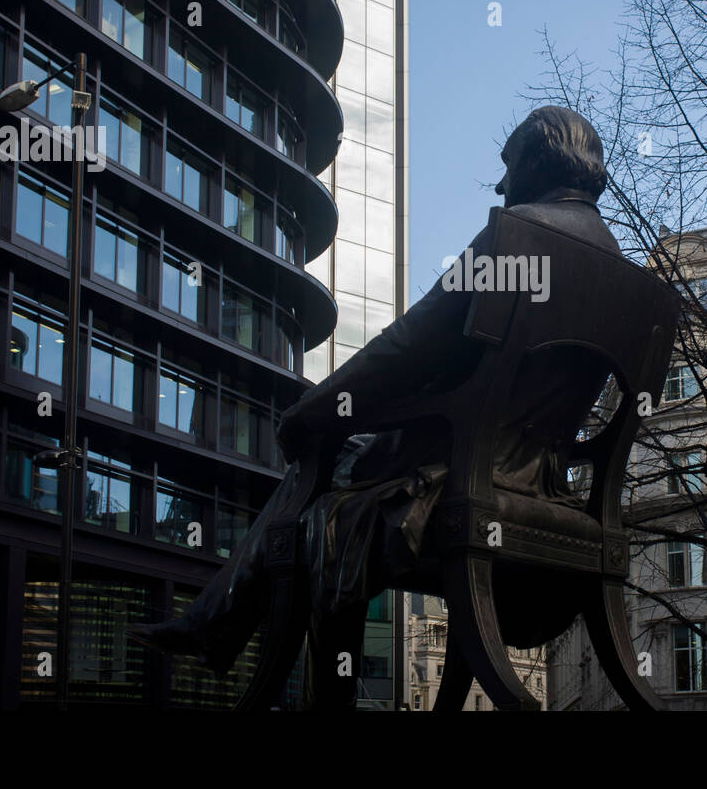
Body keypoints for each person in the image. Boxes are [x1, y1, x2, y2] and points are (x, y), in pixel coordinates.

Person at [129, 105, 621, 674]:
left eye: (508, 167)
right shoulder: (631, 283)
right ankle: (216, 623)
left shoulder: (511, 239)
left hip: (464, 481)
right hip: (554, 497)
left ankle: (226, 631)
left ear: (537, 162)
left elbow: (404, 348)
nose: (501, 182)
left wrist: (310, 414)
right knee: (340, 473)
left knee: (323, 485)